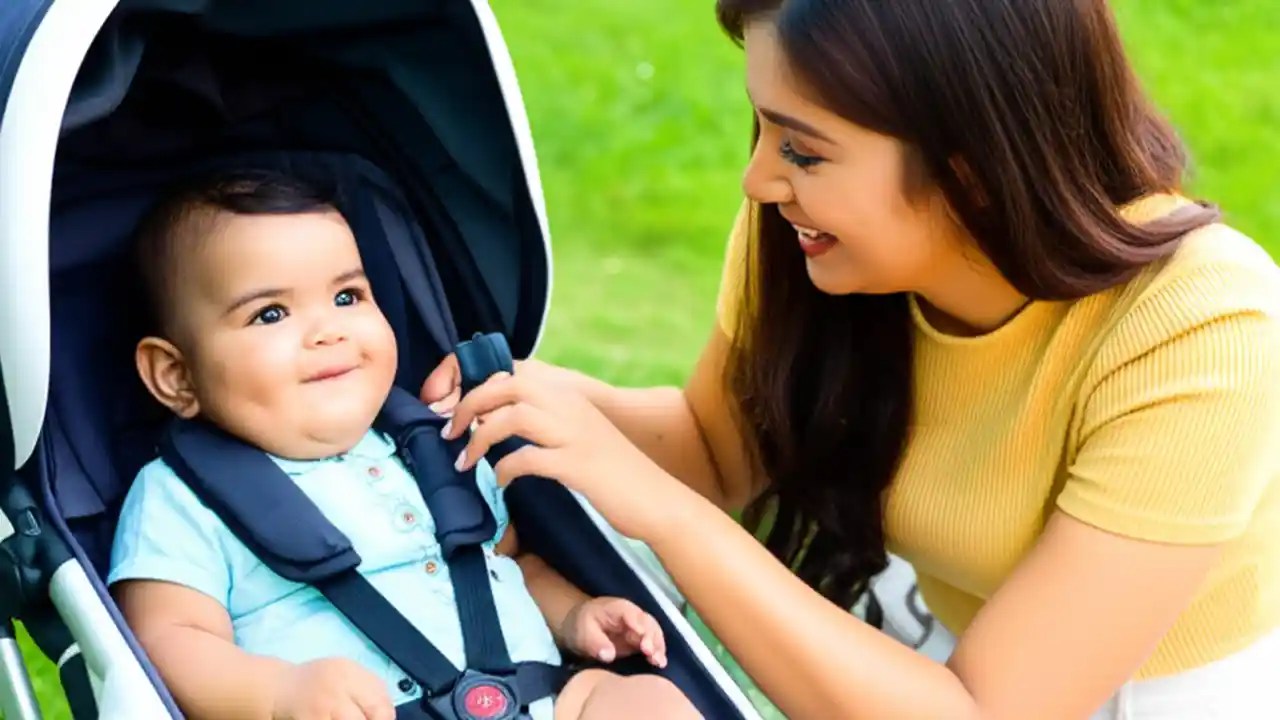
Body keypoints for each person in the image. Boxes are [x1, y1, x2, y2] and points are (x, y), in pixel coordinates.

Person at [421, 1, 1280, 718]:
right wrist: (535, 401)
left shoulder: (1202, 326)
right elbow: (716, 448)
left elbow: (981, 711)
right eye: (763, 130)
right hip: (938, 647)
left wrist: (668, 514)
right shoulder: (817, 247)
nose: (759, 179)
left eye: (803, 149)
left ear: (972, 165)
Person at [106, 170, 702, 720]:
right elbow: (168, 640)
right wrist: (277, 693)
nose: (329, 330)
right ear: (176, 376)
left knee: (647, 701)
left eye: (347, 297)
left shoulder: (435, 445)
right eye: (270, 314)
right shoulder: (181, 499)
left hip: (532, 697)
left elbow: (506, 562)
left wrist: (574, 617)